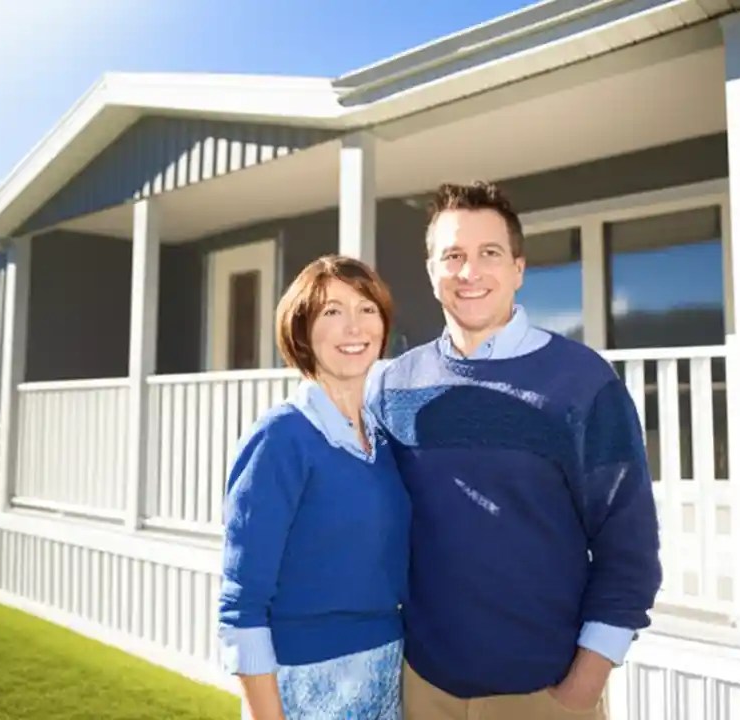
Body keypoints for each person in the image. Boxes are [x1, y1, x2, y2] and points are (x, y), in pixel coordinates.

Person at [369, 182, 663, 719]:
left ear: (518, 269)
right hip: (424, 688)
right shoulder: (394, 386)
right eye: (452, 256)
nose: (469, 271)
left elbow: (630, 548)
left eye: (489, 253)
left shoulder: (581, 381)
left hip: (544, 695)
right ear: (431, 271)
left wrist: (583, 685)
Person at [218, 256, 410, 720]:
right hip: (304, 686)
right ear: (302, 331)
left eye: (367, 309)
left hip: (388, 676)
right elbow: (242, 606)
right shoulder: (281, 438)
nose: (354, 326)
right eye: (332, 311)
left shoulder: (387, 440)